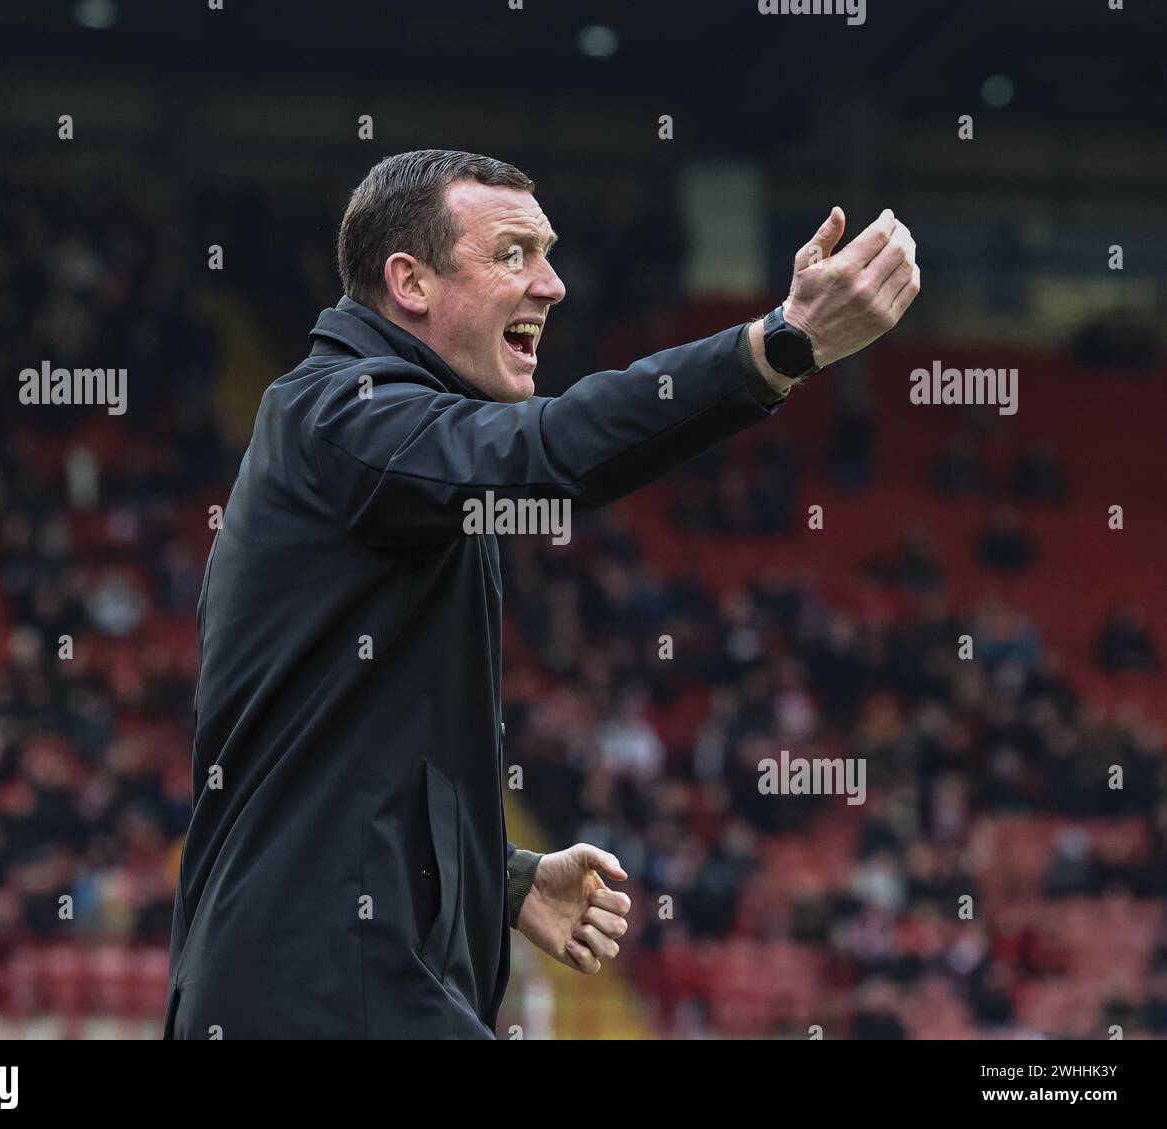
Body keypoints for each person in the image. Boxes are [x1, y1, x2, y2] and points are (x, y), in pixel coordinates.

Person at [164, 149, 919, 1039]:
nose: (553, 285)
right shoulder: (341, 414)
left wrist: (501, 875)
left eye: (548, 252)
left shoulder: (382, 456)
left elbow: (341, 760)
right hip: (320, 995)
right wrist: (776, 346)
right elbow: (545, 451)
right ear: (409, 280)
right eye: (514, 254)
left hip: (335, 986)